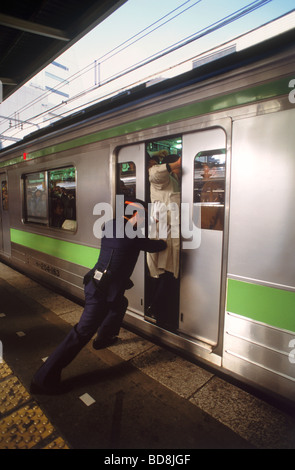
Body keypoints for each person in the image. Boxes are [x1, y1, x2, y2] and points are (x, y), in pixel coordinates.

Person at [30, 198, 167, 394]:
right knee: (81, 333)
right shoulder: (132, 235)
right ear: (137, 215)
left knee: (120, 304)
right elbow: (157, 246)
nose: (145, 222)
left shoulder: (109, 225)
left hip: (98, 284)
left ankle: (103, 338)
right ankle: (42, 379)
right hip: (101, 292)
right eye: (144, 218)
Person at [146, 154, 181, 331]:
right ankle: (156, 311)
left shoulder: (174, 180)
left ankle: (161, 313)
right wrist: (173, 164)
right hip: (161, 232)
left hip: (170, 231)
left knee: (168, 274)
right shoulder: (160, 178)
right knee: (163, 275)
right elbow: (155, 174)